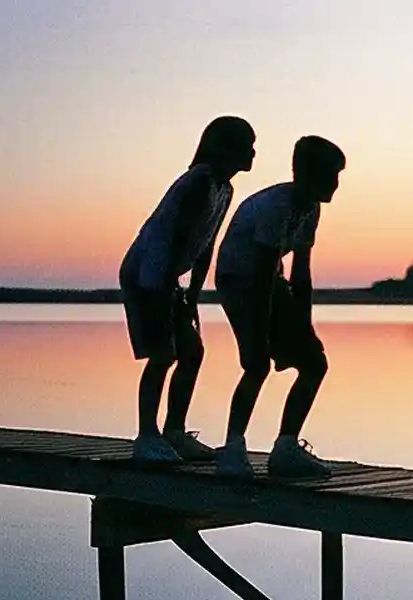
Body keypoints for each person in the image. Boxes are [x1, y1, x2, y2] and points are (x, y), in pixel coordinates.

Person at [119, 116, 255, 463]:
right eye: (246, 144)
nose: (253, 152)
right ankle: (147, 437)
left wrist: (193, 293)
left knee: (192, 353)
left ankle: (175, 433)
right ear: (225, 148)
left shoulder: (225, 188)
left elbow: (205, 244)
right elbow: (178, 239)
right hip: (146, 273)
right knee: (163, 354)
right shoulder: (200, 182)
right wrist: (166, 290)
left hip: (169, 276)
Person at [213, 136, 346, 480]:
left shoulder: (310, 209)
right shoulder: (276, 207)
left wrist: (305, 327)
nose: (336, 183)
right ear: (308, 175)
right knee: (256, 364)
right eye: (332, 175)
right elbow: (259, 274)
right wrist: (260, 332)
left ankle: (285, 449)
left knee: (314, 363)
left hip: (269, 280)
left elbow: (301, 274)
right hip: (238, 280)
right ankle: (232, 448)